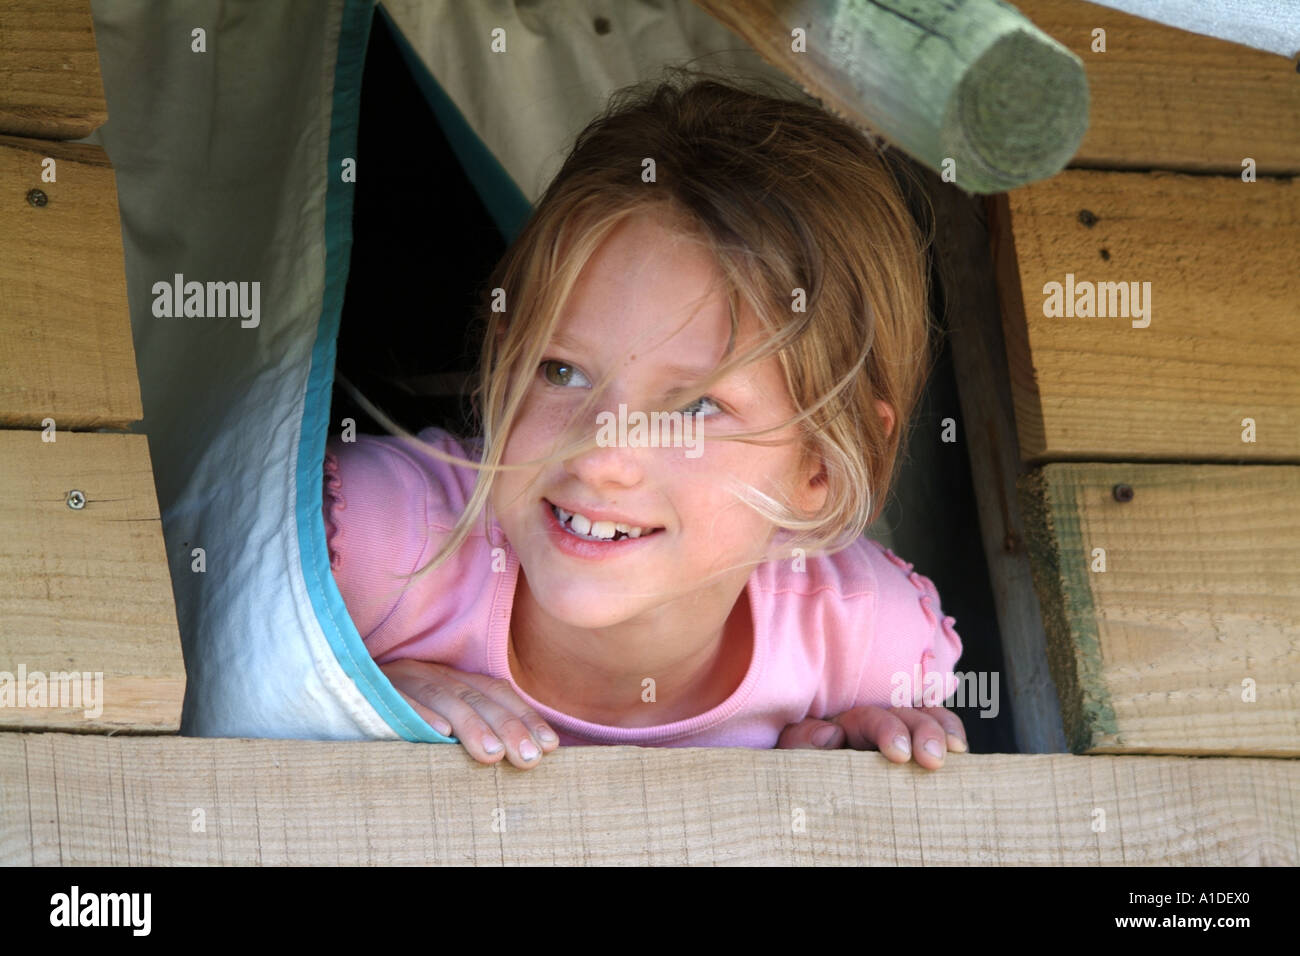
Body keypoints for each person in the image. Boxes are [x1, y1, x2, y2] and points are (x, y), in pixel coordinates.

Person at [322, 71, 966, 771]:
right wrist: (346, 696)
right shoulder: (372, 546)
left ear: (819, 468)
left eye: (694, 408)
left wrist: (866, 756)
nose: (602, 455)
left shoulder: (863, 636)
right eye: (561, 370)